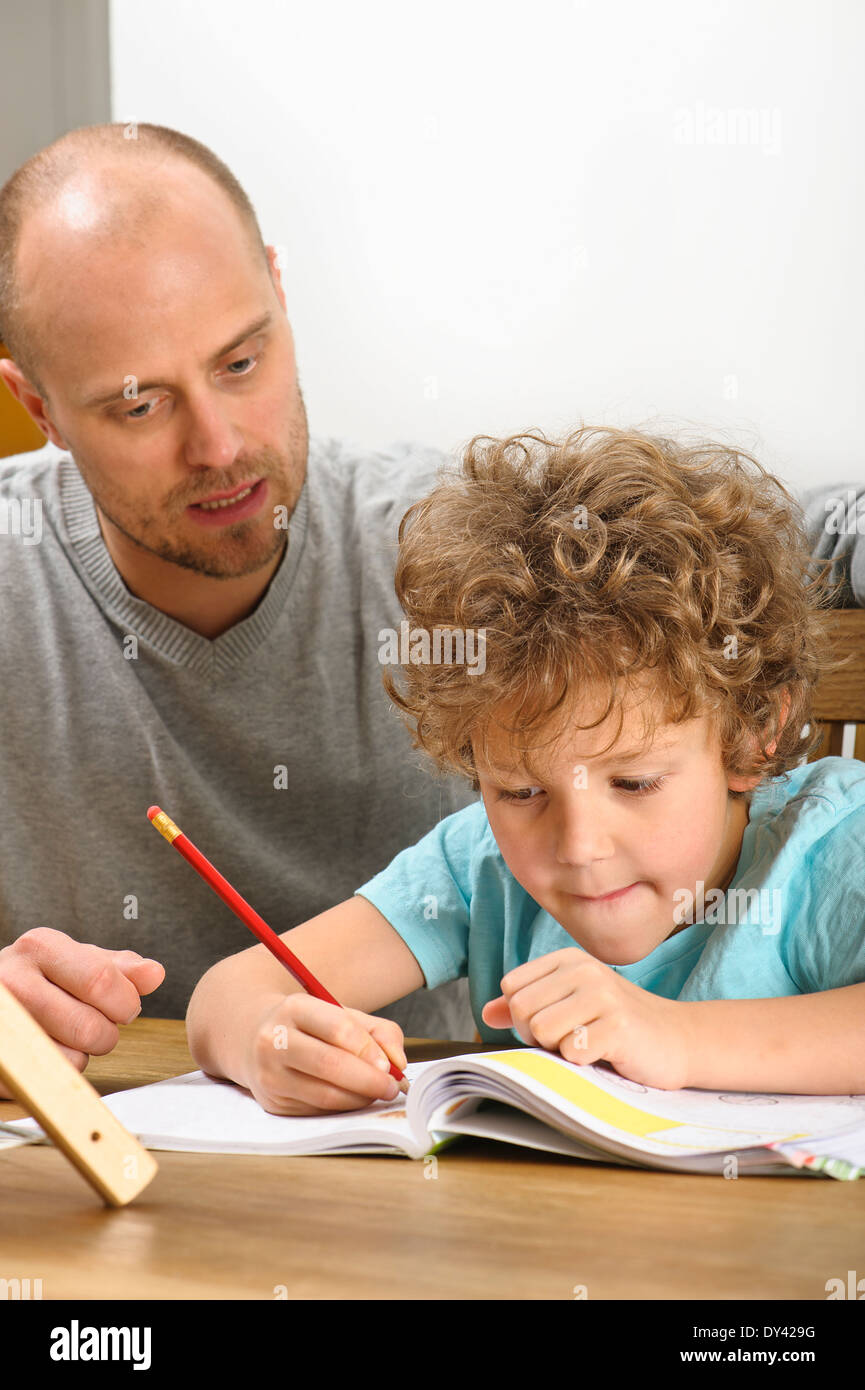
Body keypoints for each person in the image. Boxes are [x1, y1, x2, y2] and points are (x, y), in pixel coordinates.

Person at [185, 427, 865, 1113]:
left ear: (752, 735)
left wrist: (673, 1036)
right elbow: (227, 994)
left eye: (633, 783)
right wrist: (267, 1041)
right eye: (520, 791)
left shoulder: (830, 850)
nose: (577, 847)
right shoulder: (476, 866)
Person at [0, 121, 475, 1099]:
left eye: (242, 362)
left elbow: (799, 539)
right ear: (37, 405)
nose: (218, 446)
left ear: (277, 287)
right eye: (140, 407)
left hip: (430, 1176)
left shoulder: (452, 544)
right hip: (98, 1199)